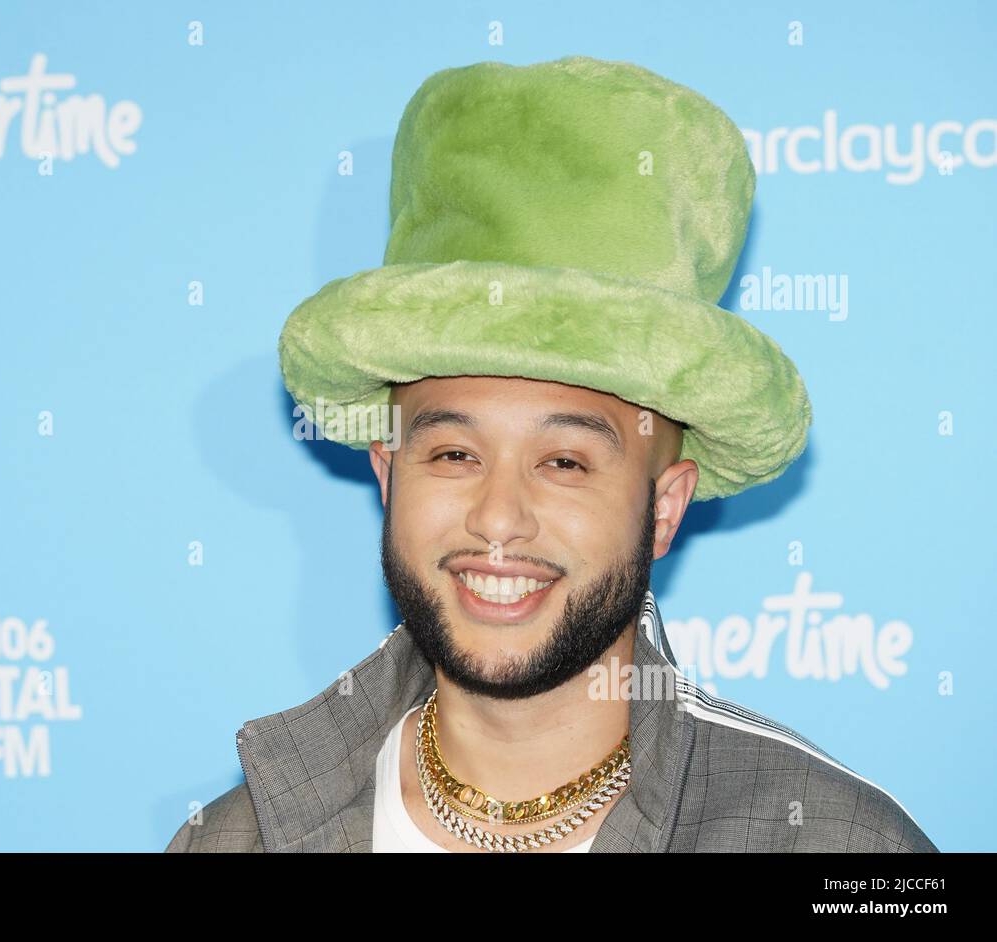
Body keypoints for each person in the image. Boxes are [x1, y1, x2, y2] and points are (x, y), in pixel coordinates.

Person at [165, 55, 938, 853]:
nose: (499, 517)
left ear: (663, 507)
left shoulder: (834, 845)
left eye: (564, 462)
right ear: (387, 472)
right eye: (455, 454)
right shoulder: (240, 839)